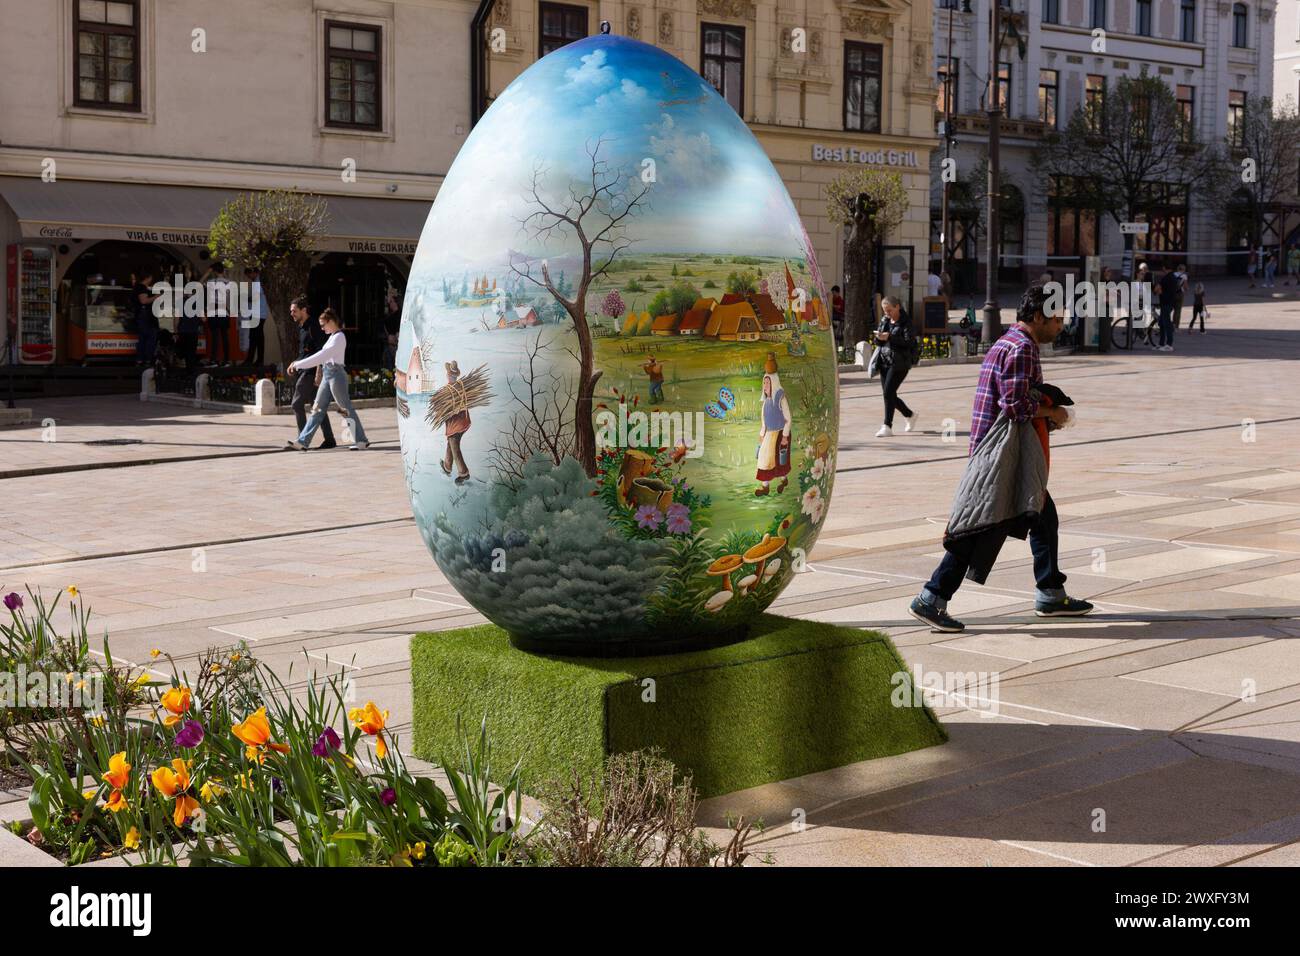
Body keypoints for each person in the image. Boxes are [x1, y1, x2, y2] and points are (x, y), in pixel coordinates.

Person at [909, 286, 1093, 632]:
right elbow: (1015, 405)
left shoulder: (1007, 342)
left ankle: (1051, 592)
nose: (1060, 326)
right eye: (1056, 319)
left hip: (999, 453)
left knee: (1042, 516)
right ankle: (931, 597)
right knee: (980, 527)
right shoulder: (1023, 348)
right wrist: (1056, 413)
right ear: (1037, 317)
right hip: (1000, 458)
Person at [287, 307, 369, 451]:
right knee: (317, 409)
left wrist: (297, 364)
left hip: (336, 375)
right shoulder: (332, 337)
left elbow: (322, 356)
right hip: (328, 375)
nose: (322, 328)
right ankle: (303, 442)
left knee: (345, 408)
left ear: (331, 322)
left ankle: (361, 440)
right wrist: (318, 371)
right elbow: (322, 357)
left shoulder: (339, 337)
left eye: (323, 325)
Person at [286, 296, 336, 450]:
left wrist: (319, 373)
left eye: (294, 311)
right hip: (304, 371)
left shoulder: (314, 327)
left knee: (296, 404)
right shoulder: (302, 327)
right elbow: (306, 354)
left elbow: (323, 352)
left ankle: (302, 440)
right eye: (291, 311)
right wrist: (295, 364)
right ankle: (330, 440)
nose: (292, 314)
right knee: (318, 407)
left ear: (303, 310)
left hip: (312, 373)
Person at [873, 295, 918, 437]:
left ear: (897, 306)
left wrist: (890, 337)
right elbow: (879, 343)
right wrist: (879, 337)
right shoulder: (885, 320)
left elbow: (908, 343)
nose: (887, 313)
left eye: (889, 310)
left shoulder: (906, 322)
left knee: (888, 393)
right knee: (889, 394)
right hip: (884, 360)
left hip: (900, 363)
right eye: (885, 311)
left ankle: (887, 426)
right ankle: (909, 415)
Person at [754, 352, 792, 497]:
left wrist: (785, 436)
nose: (765, 385)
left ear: (774, 383)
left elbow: (788, 419)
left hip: (780, 433)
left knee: (779, 460)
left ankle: (783, 480)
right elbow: (764, 421)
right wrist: (762, 434)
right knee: (764, 459)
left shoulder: (780, 398)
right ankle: (765, 486)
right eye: (764, 382)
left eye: (768, 382)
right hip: (769, 434)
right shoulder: (766, 402)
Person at [440, 360, 472, 485]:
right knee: (451, 442)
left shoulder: (448, 390)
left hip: (456, 424)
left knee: (455, 446)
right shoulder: (461, 386)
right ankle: (447, 466)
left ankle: (463, 473)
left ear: (449, 375)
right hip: (463, 420)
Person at [204, 262, 233, 366]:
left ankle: (214, 359)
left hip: (214, 310)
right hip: (224, 310)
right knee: (225, 336)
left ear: (214, 271)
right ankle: (227, 360)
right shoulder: (228, 282)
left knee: (215, 337)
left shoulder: (211, 282)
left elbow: (198, 284)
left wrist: (207, 273)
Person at [133, 271, 162, 366]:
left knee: (143, 338)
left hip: (143, 317)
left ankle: (140, 359)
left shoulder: (139, 287)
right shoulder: (141, 288)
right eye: (150, 278)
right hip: (146, 317)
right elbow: (144, 301)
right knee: (150, 337)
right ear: (147, 278)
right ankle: (147, 359)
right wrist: (157, 296)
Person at [242, 268, 267, 370]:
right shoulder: (260, 281)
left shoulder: (257, 281)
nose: (249, 278)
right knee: (259, 338)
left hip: (258, 313)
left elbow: (255, 298)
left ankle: (250, 360)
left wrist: (243, 298)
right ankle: (259, 360)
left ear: (253, 272)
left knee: (254, 337)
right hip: (260, 313)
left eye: (249, 275)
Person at [1155, 264, 1179, 352]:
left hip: (1165, 303)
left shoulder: (1166, 278)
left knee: (1166, 323)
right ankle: (1161, 343)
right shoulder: (1173, 277)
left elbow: (1157, 289)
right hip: (1170, 303)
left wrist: (1159, 291)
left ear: (1164, 268)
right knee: (1162, 323)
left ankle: (1169, 344)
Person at [1172, 263, 1187, 329]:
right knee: (1178, 310)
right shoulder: (1184, 276)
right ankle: (1176, 325)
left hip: (1173, 293)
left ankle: (1172, 324)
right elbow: (1185, 286)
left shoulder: (1174, 274)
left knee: (1173, 309)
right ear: (1183, 269)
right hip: (1180, 294)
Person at [831, 284, 846, 351]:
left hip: (840, 318)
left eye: (834, 293)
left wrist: (832, 305)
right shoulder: (833, 299)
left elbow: (839, 307)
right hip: (835, 318)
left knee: (839, 336)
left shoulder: (840, 299)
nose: (833, 294)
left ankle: (839, 349)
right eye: (832, 293)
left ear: (837, 292)